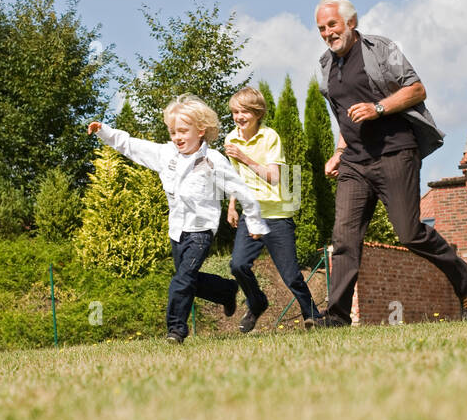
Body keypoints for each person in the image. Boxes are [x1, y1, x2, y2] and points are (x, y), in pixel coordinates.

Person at [312, 0, 467, 326]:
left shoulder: (380, 50)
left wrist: (378, 108)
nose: (327, 33)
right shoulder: (325, 66)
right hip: (355, 163)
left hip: (394, 152)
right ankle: (336, 317)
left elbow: (417, 90)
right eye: (321, 28)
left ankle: (465, 283)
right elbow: (345, 118)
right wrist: (338, 152)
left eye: (332, 24)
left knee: (409, 233)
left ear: (351, 23)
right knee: (344, 239)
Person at [87, 95, 267, 344]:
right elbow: (131, 145)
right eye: (173, 131)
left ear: (201, 131)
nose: (177, 137)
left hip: (201, 231)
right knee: (190, 279)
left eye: (183, 131)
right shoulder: (166, 154)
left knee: (182, 280)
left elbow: (241, 190)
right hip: (177, 231)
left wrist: (255, 222)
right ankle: (227, 291)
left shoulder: (213, 160)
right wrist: (104, 131)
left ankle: (176, 330)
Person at [224, 86, 323, 333]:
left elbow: (274, 177)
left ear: (257, 113)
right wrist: (232, 206)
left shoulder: (270, 137)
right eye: (235, 112)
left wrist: (245, 157)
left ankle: (313, 316)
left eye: (244, 111)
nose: (239, 116)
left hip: (277, 215)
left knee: (291, 276)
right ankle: (256, 303)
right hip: (250, 214)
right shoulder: (230, 139)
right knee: (238, 265)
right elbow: (234, 176)